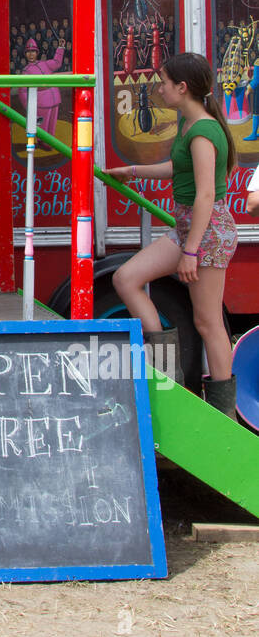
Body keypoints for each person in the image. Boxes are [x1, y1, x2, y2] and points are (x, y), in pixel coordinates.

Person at [105, 52, 238, 417]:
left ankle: (224, 415)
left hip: (205, 233)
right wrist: (132, 170)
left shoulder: (202, 131)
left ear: (182, 88)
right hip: (189, 228)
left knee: (207, 322)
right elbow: (176, 168)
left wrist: (191, 250)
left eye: (163, 82)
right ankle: (170, 376)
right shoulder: (188, 126)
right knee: (126, 278)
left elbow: (206, 194)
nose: (159, 88)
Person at [17, 35, 66, 137]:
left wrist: (60, 48)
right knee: (43, 128)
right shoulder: (25, 71)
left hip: (55, 99)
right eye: (29, 52)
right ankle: (43, 143)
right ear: (25, 54)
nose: (31, 54)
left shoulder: (44, 64)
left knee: (52, 127)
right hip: (42, 102)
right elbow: (22, 92)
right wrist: (29, 107)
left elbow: (57, 63)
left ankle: (50, 145)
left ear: (37, 53)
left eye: (33, 51)